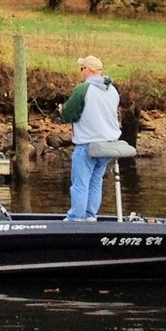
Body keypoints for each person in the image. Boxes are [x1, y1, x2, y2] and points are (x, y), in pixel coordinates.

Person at [59, 54, 121, 220]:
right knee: (96, 181)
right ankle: (90, 216)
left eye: (82, 69)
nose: (81, 72)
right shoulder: (112, 90)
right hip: (108, 144)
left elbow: (68, 114)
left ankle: (75, 219)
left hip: (88, 144)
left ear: (87, 70)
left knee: (80, 183)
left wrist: (61, 111)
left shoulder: (83, 89)